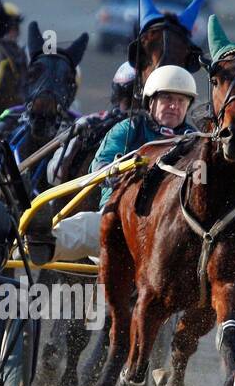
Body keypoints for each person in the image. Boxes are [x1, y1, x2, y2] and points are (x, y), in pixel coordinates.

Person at [46, 64, 198, 262]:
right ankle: (39, 243)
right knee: (84, 226)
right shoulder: (129, 128)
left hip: (174, 226)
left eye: (180, 100)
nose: (174, 105)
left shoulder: (196, 141)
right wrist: (113, 171)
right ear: (151, 101)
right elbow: (102, 163)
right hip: (122, 217)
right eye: (167, 98)